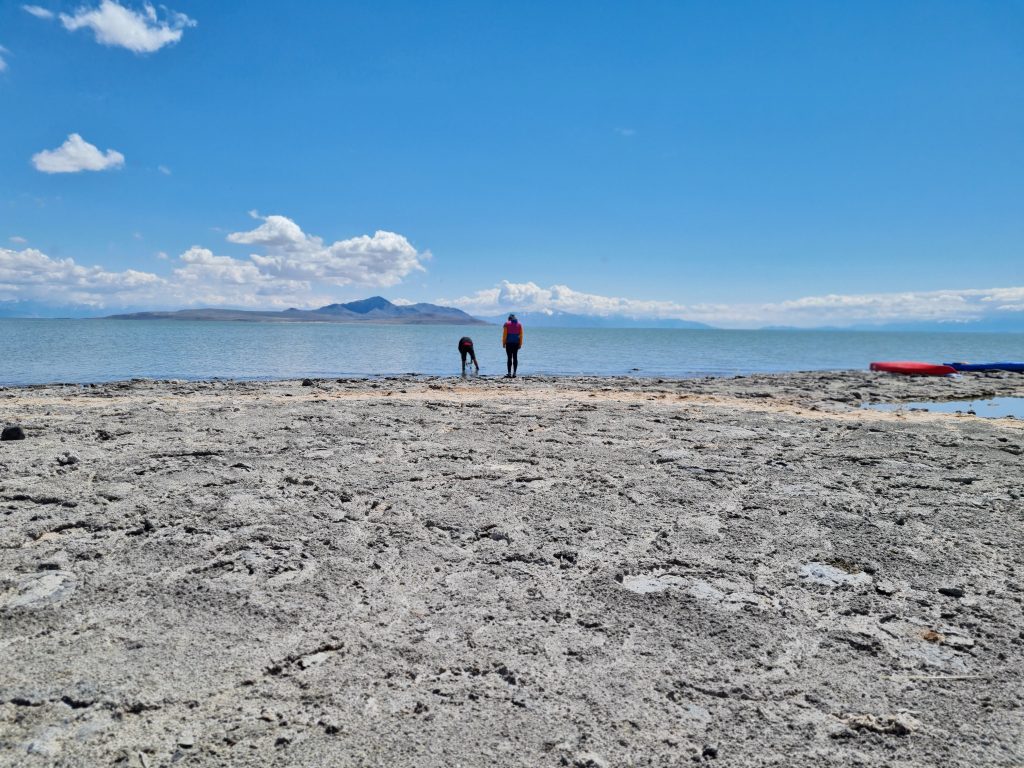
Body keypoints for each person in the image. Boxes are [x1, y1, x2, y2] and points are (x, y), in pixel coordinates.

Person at [501, 313, 523, 378]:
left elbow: (504, 335)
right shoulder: (519, 325)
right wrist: (520, 344)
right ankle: (515, 373)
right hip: (516, 343)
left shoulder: (506, 324)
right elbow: (521, 335)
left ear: (509, 318)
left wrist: (503, 343)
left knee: (509, 358)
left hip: (509, 343)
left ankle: (509, 373)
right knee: (515, 357)